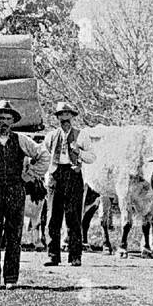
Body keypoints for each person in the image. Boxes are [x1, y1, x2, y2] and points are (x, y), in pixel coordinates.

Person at [0, 100, 47, 289]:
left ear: (13, 121)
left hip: (15, 191)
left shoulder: (21, 140)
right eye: (1, 118)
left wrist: (29, 175)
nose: (4, 122)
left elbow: (43, 155)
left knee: (14, 236)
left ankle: (11, 278)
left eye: (8, 118)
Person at [42, 101, 94, 267]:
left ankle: (75, 256)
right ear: (57, 118)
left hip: (73, 175)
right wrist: (47, 176)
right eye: (61, 115)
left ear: (72, 116)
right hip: (56, 175)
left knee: (73, 217)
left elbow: (92, 157)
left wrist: (79, 151)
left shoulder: (81, 135)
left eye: (67, 115)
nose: (64, 118)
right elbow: (43, 156)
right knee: (53, 218)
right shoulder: (51, 136)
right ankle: (53, 256)